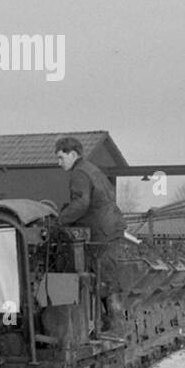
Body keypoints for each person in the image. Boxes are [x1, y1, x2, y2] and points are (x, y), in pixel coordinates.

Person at [52, 136, 129, 326]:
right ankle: (110, 321)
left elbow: (81, 203)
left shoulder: (79, 173)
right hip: (109, 229)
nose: (58, 162)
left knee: (100, 279)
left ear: (73, 154)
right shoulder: (92, 170)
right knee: (107, 277)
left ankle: (113, 325)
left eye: (61, 157)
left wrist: (58, 221)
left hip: (100, 233)